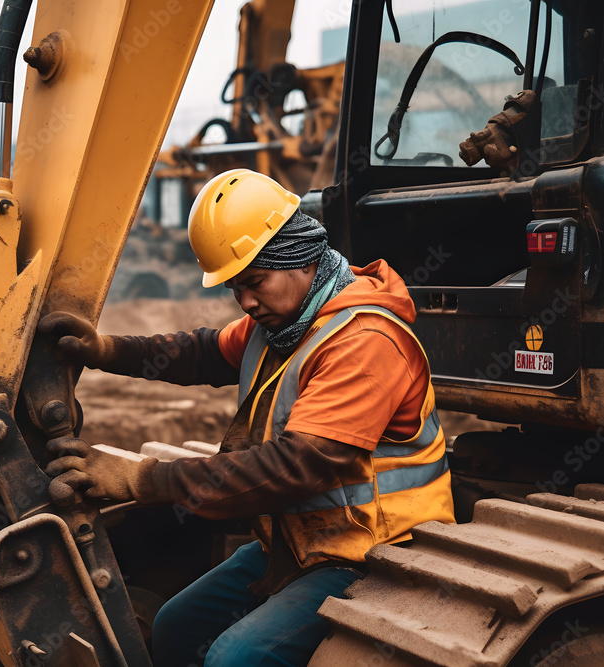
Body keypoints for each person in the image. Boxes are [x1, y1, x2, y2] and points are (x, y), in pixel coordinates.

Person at [42, 168, 455, 667]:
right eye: (235, 289)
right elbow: (203, 353)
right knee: (176, 626)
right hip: (301, 540)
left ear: (302, 258)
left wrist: (141, 479)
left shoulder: (365, 341)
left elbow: (297, 466)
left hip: (374, 551)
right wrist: (108, 350)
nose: (246, 302)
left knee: (236, 657)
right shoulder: (286, 323)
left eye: (255, 283)